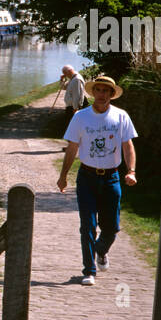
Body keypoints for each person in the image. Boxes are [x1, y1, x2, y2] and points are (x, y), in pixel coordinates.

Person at [57, 74, 138, 285]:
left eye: (106, 91)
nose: (102, 95)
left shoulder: (121, 116)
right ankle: (89, 271)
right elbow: (72, 148)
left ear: (112, 94)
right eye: (98, 90)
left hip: (111, 178)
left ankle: (101, 251)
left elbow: (127, 146)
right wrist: (63, 176)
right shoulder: (80, 117)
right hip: (87, 177)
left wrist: (131, 171)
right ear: (93, 93)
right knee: (88, 226)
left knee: (112, 228)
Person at [59, 65, 87, 135]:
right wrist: (62, 79)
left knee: (73, 127)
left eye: (65, 74)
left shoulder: (76, 79)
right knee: (70, 126)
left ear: (68, 72)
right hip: (71, 106)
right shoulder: (73, 78)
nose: (65, 75)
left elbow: (76, 95)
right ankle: (71, 142)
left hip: (73, 107)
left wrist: (75, 109)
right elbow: (63, 87)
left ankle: (74, 142)